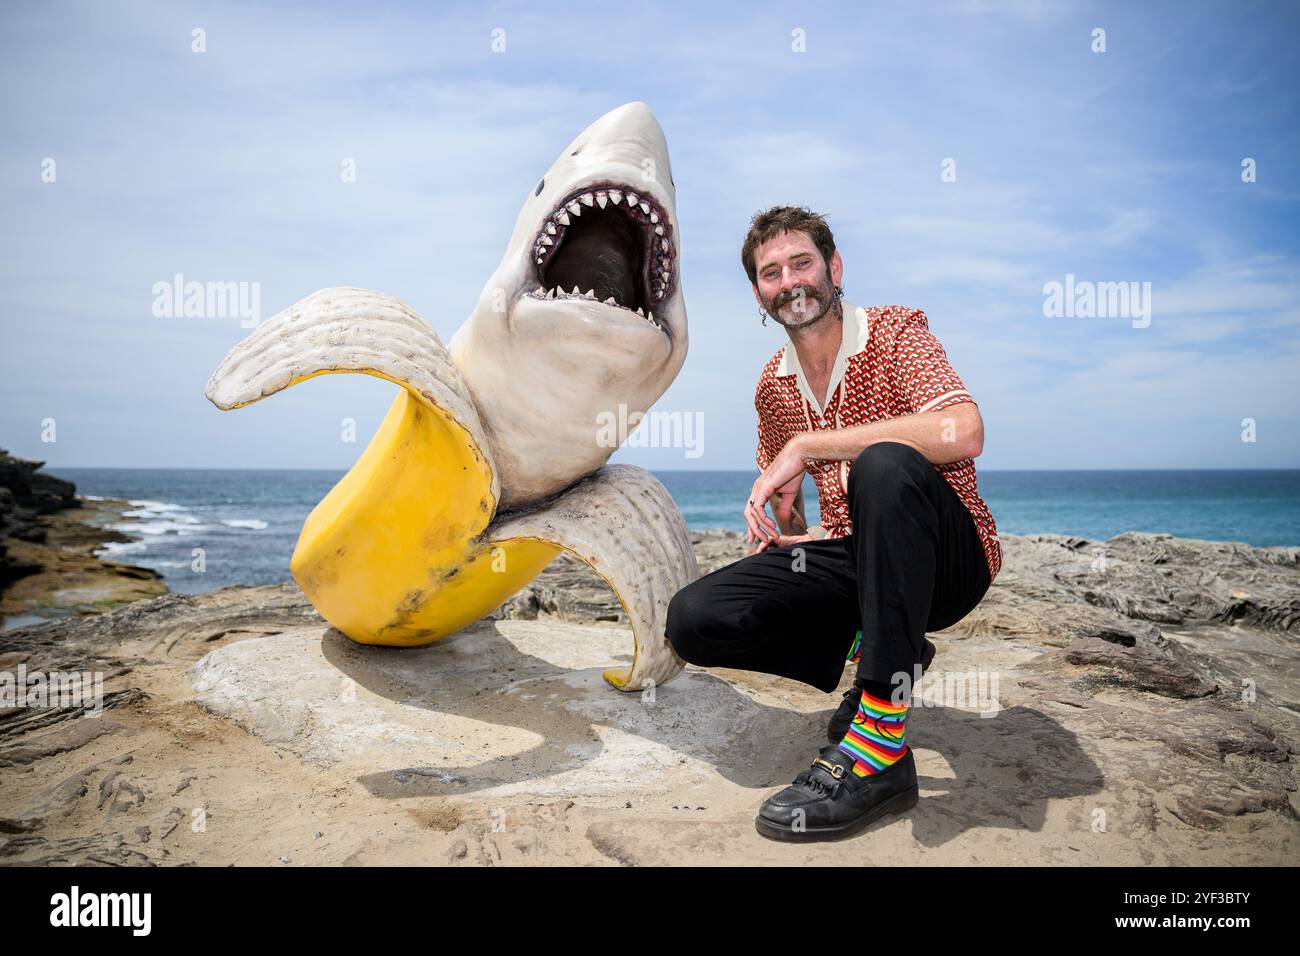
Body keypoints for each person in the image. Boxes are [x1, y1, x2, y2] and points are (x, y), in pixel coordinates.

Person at [664, 206, 1002, 841]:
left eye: (802, 263)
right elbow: (792, 505)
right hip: (862, 561)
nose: (790, 281)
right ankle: (888, 649)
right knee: (694, 620)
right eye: (771, 273)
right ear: (759, 294)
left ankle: (879, 749)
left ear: (833, 268)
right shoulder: (774, 385)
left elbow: (965, 431)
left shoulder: (896, 332)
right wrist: (785, 515)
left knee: (884, 466)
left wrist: (815, 447)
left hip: (951, 564)